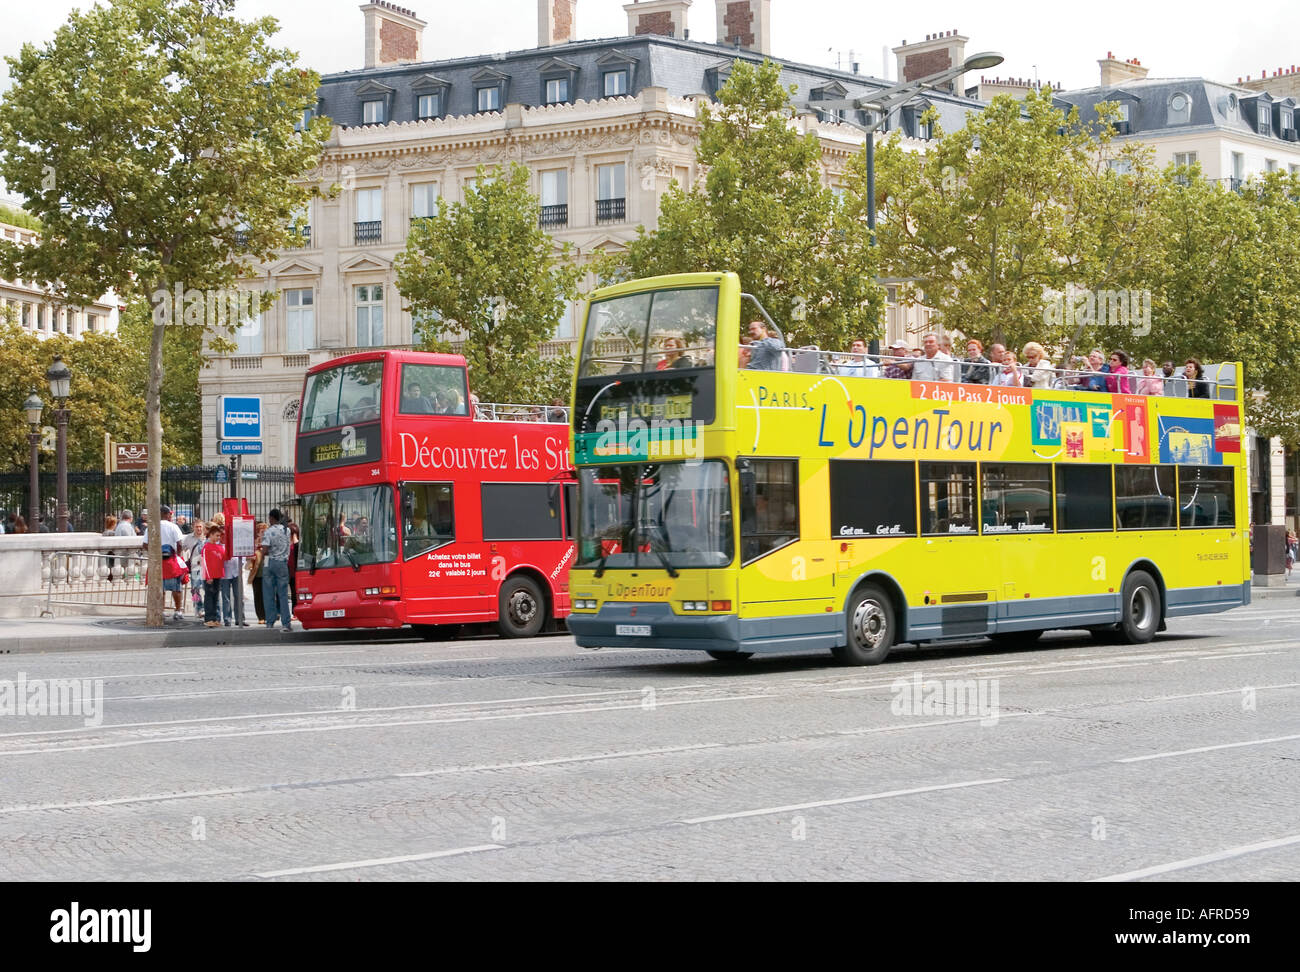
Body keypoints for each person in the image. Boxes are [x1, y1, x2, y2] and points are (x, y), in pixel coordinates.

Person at [144, 505, 186, 622]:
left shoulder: (151, 527)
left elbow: (144, 544)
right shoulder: (173, 527)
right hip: (171, 561)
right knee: (176, 588)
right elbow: (179, 544)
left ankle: (160, 610)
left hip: (157, 561)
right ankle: (178, 610)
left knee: (159, 588)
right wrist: (177, 555)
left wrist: (154, 553)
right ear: (167, 514)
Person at [261, 508, 293, 632]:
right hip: (283, 563)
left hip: (270, 561)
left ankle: (270, 621)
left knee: (268, 593)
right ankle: (286, 622)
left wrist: (264, 553)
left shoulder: (269, 531)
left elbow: (265, 549)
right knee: (283, 594)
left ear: (271, 518)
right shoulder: (287, 530)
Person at [200, 524, 226, 627]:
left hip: (218, 575)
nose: (218, 538)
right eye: (216, 535)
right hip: (210, 576)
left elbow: (223, 558)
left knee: (215, 597)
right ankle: (208, 618)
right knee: (209, 597)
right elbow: (205, 563)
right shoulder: (206, 547)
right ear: (210, 535)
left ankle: (214, 618)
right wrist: (208, 576)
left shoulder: (220, 547)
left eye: (219, 536)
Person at [247, 522, 267, 623]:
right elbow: (247, 557)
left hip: (267, 574)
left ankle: (268, 614)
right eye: (262, 532)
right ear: (258, 533)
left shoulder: (268, 543)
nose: (264, 534)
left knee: (267, 595)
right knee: (258, 596)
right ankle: (261, 617)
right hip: (256, 574)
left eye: (265, 532)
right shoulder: (253, 545)